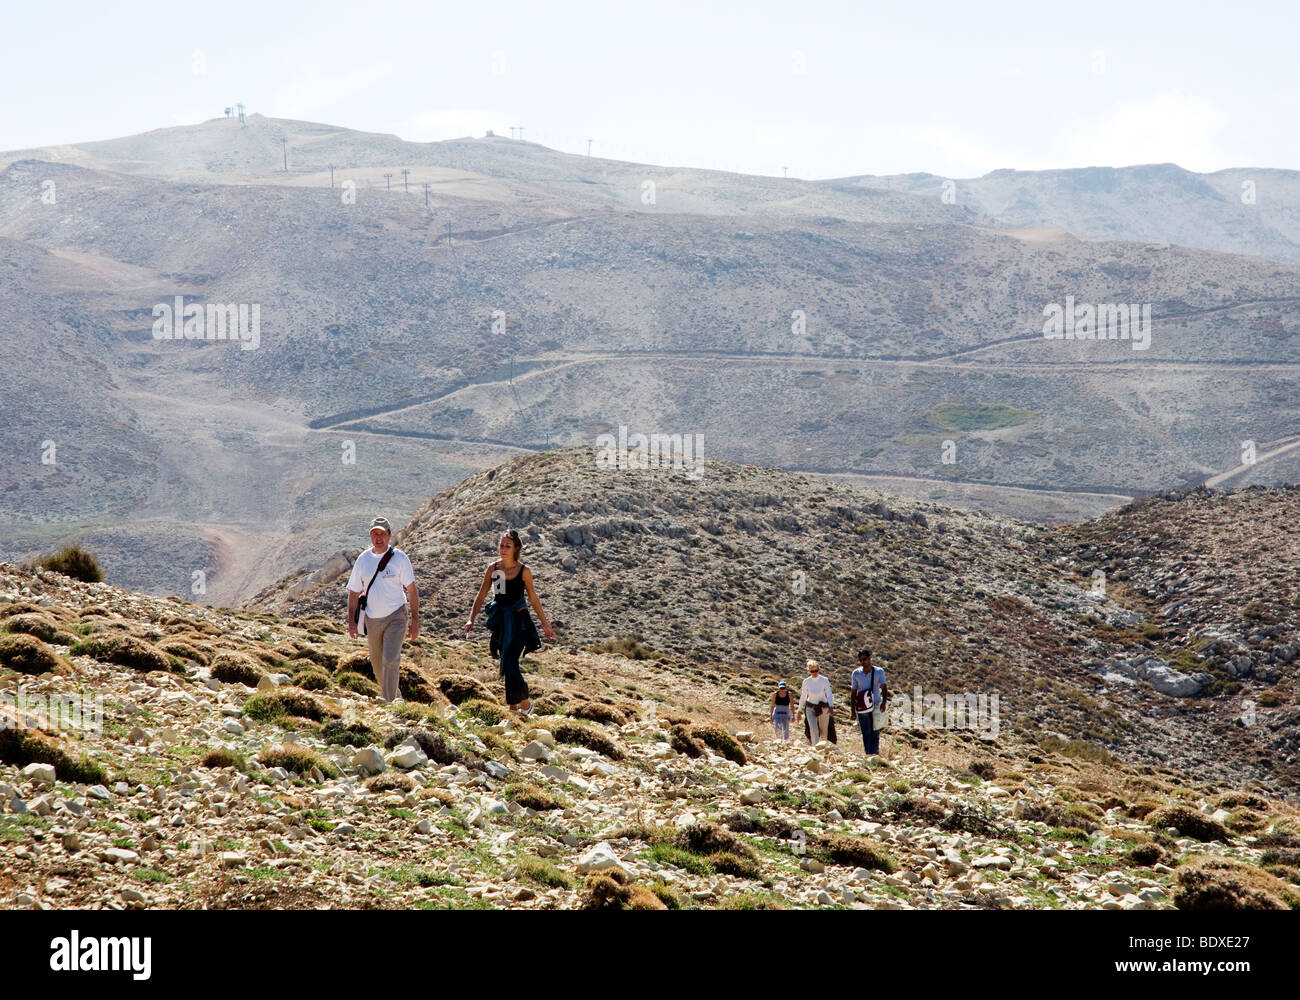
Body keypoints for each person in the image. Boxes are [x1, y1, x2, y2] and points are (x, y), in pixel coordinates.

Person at [466, 529, 556, 715]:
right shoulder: (494, 569)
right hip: (501, 622)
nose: (503, 549)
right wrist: (471, 619)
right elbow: (482, 594)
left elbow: (533, 598)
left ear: (516, 548)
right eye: (501, 545)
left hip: (520, 622)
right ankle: (512, 708)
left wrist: (546, 625)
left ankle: (525, 704)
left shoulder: (524, 571)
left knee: (510, 661)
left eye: (507, 546)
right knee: (506, 660)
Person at [346, 517, 418, 703]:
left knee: (391, 660)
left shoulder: (400, 558)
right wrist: (351, 623)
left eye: (382, 534)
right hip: (372, 619)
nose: (378, 538)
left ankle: (388, 704)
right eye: (374, 534)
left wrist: (415, 622)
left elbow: (411, 590)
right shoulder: (363, 560)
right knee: (378, 665)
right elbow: (354, 592)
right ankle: (396, 698)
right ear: (371, 536)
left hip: (396, 616)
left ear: (389, 535)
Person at [850, 648, 890, 757]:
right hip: (862, 706)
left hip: (876, 704)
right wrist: (852, 711)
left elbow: (884, 687)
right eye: (861, 660)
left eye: (865, 659)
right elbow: (853, 692)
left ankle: (875, 754)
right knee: (866, 732)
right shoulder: (856, 673)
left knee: (875, 731)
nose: (863, 662)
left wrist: (884, 703)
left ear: (870, 658)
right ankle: (869, 754)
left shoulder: (879, 671)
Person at [797, 658, 835, 746]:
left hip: (823, 707)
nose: (814, 673)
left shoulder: (824, 680)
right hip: (810, 707)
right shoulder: (806, 682)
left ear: (819, 669)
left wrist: (831, 707)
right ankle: (815, 748)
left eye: (816, 670)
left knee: (824, 731)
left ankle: (824, 748)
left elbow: (829, 694)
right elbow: (803, 696)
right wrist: (799, 710)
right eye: (812, 671)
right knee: (813, 730)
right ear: (809, 671)